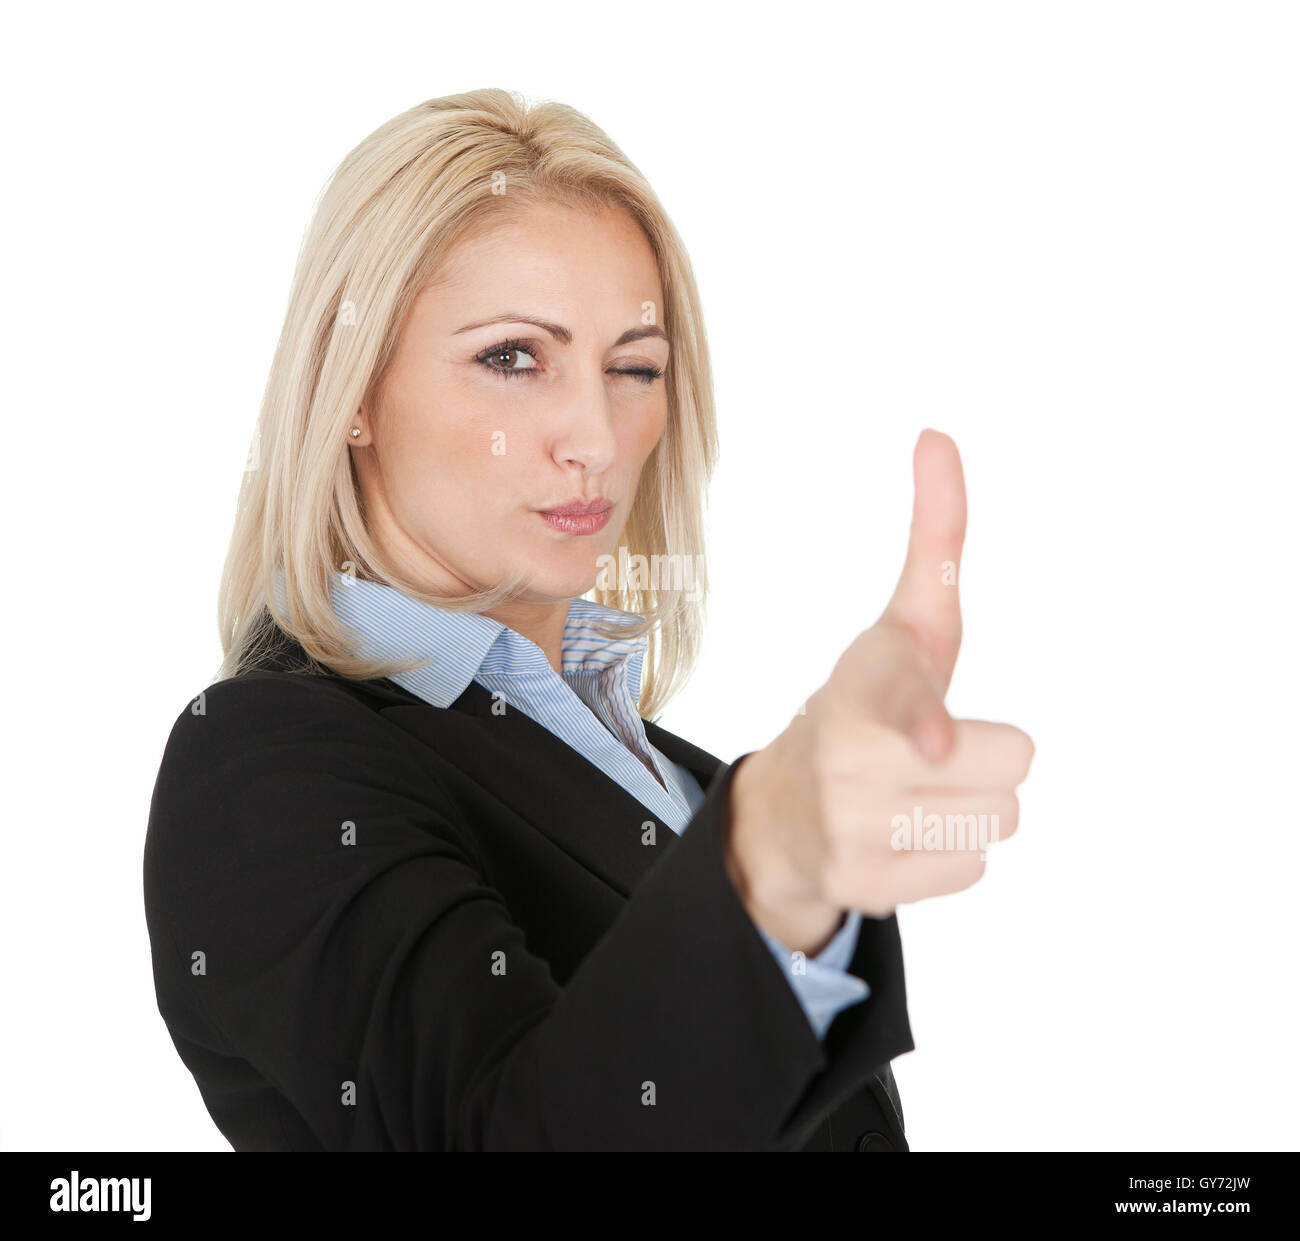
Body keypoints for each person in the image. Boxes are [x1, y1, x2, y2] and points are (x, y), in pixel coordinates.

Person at [143, 88, 1034, 1152]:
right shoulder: (262, 761)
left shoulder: (684, 777)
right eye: (513, 356)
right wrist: (773, 856)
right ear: (353, 392)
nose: (596, 437)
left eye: (632, 368)